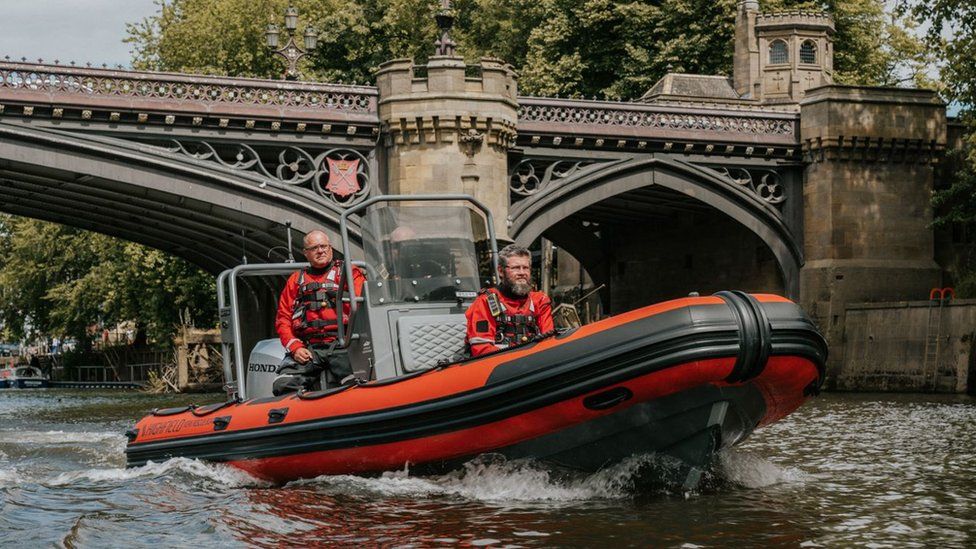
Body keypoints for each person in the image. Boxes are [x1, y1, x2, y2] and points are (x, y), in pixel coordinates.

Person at [273, 230, 366, 395]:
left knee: (356, 384)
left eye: (324, 246)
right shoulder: (296, 280)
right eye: (314, 248)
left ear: (330, 248)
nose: (320, 251)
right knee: (283, 384)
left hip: (343, 345)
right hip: (310, 348)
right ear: (306, 253)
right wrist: (295, 348)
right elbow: (283, 319)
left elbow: (363, 304)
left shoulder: (348, 272)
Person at [465, 244, 554, 357]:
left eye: (525, 268)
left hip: (534, 361)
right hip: (500, 364)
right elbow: (481, 349)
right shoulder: (486, 301)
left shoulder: (540, 301)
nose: (522, 273)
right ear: (501, 271)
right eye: (515, 268)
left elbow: (549, 341)